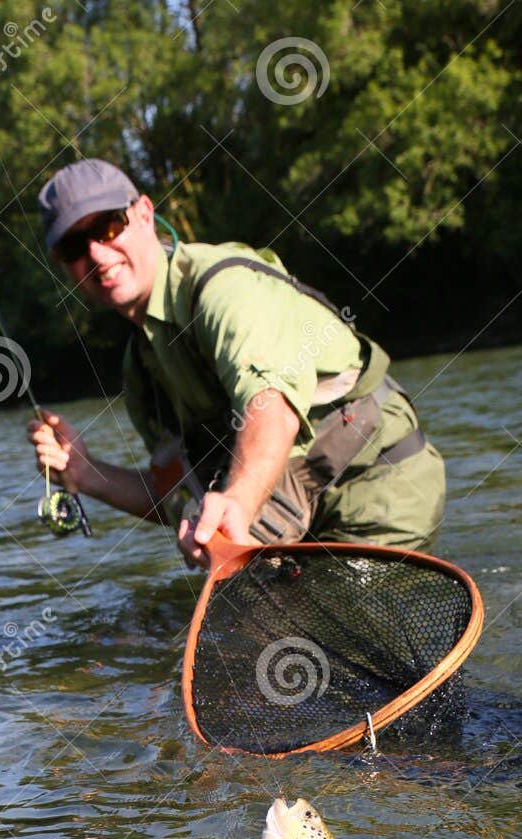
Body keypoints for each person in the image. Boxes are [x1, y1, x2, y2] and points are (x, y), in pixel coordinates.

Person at [28, 158, 445, 567]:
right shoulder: (141, 368)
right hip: (291, 510)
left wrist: (238, 505)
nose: (97, 255)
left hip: (376, 484)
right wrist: (85, 473)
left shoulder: (223, 290)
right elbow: (171, 492)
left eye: (108, 227)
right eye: (73, 247)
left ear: (145, 214)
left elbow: (271, 406)